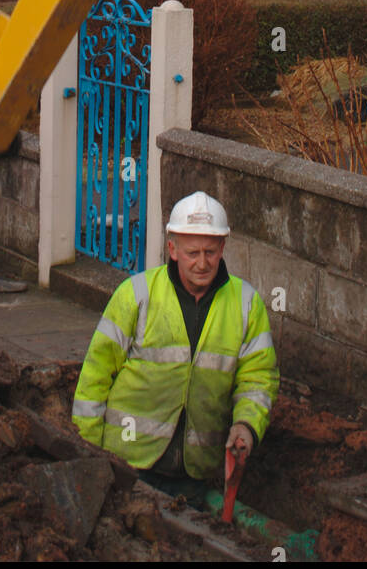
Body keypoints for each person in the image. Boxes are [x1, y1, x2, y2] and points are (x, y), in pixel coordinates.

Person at [71, 191, 278, 486]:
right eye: (193, 253)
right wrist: (87, 452)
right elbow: (95, 377)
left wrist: (247, 425)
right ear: (173, 248)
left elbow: (258, 378)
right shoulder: (136, 295)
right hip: (126, 463)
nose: (203, 263)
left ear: (223, 247)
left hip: (197, 472)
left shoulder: (246, 304)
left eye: (211, 252)